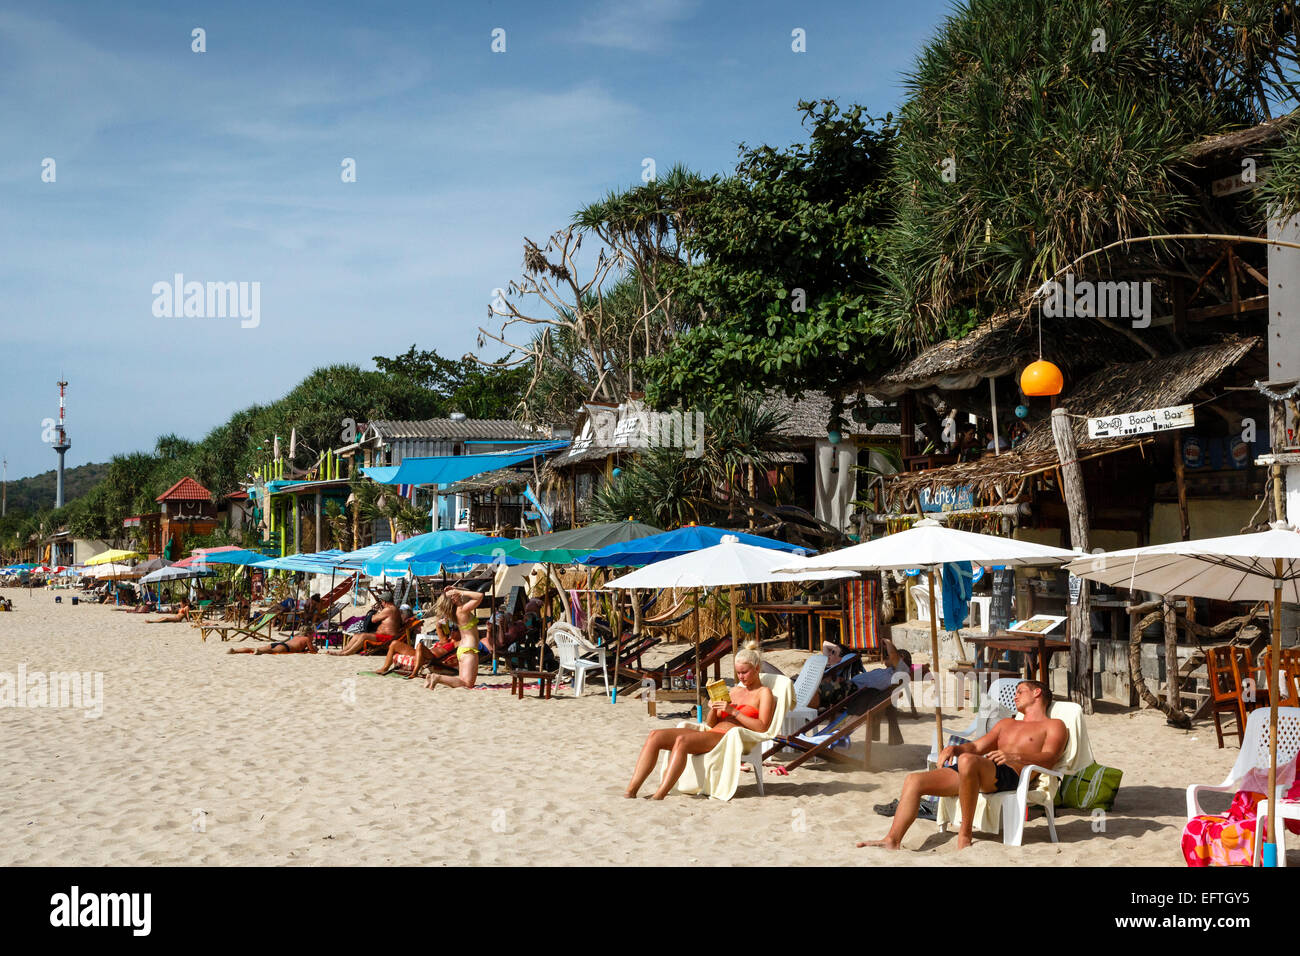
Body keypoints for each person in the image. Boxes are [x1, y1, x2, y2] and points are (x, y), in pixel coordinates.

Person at [856, 680, 1066, 850]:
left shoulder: (1053, 725)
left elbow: (1050, 757)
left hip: (1012, 774)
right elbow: (976, 747)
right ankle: (892, 840)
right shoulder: (1007, 723)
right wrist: (956, 750)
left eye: (1020, 691)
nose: (1015, 696)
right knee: (914, 780)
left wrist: (1016, 757)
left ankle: (964, 835)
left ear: (1037, 692)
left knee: (967, 761)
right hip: (976, 768)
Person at [624, 642, 775, 800]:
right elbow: (711, 724)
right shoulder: (735, 690)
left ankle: (660, 795)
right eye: (738, 673)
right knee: (655, 735)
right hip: (712, 733)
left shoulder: (764, 693)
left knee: (682, 740)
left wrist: (733, 711)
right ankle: (631, 791)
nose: (741, 677)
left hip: (728, 738)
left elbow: (762, 727)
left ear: (757, 668)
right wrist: (713, 708)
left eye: (744, 672)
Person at [424, 586, 485, 690]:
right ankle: (437, 677)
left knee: (462, 681)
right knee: (467, 684)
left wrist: (456, 589)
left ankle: (433, 678)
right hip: (469, 649)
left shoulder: (457, 611)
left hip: (463, 649)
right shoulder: (462, 610)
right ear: (453, 599)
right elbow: (479, 596)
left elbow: (472, 596)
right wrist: (459, 591)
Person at [329, 591, 402, 655]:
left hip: (388, 638)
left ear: (385, 601)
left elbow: (373, 620)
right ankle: (342, 651)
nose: (381, 603)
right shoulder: (394, 609)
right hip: (383, 635)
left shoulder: (389, 609)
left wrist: (376, 613)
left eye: (381, 601)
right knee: (357, 635)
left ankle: (347, 652)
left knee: (364, 636)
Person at [227, 629, 318, 655]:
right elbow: (312, 651)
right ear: (309, 634)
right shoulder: (307, 639)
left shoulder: (296, 636)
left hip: (280, 643)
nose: (313, 636)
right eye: (312, 634)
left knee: (254, 649)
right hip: (286, 648)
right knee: (272, 651)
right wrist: (315, 649)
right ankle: (260, 652)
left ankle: (234, 650)